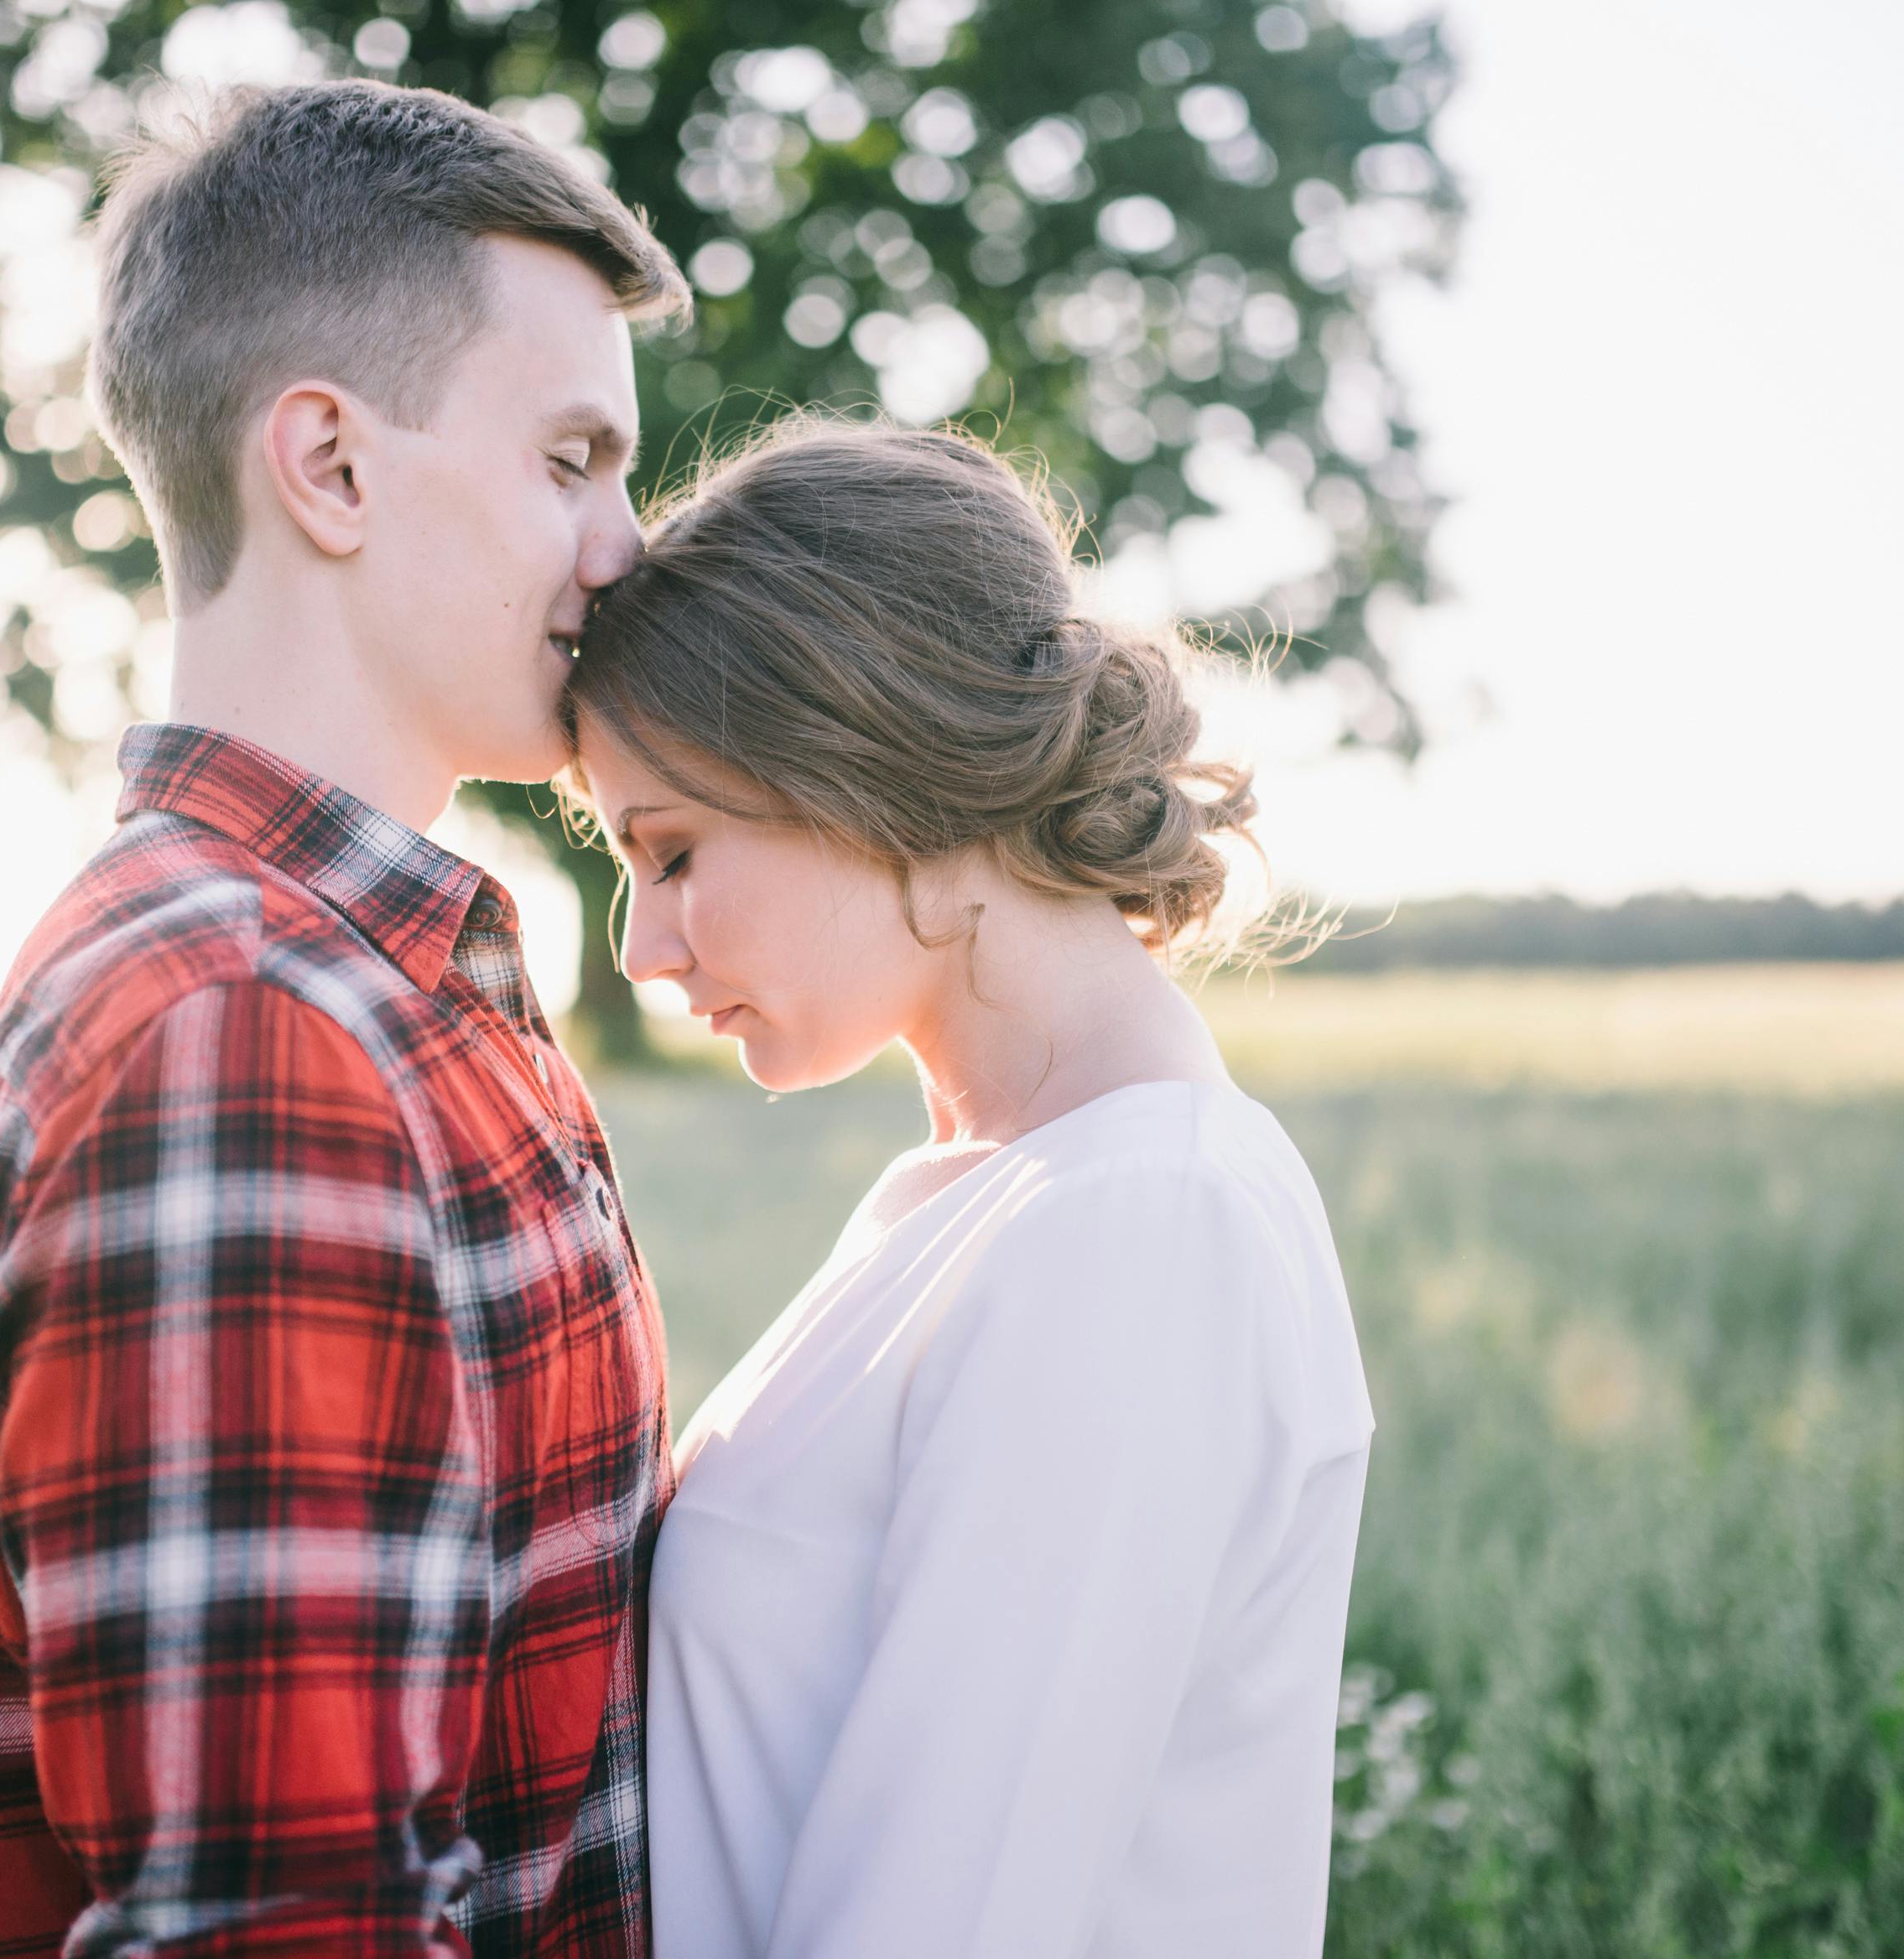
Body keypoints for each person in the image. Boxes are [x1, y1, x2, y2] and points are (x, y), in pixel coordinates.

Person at [0, 81, 687, 1957]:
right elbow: (277, 1923)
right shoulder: (240, 1037)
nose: (625, 544)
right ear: (328, 466)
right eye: (572, 459)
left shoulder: (359, 977)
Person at [564, 418, 1379, 1958]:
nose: (639, 947)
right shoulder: (985, 1200)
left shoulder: (1140, 1231)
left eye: (668, 854)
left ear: (870, 772)